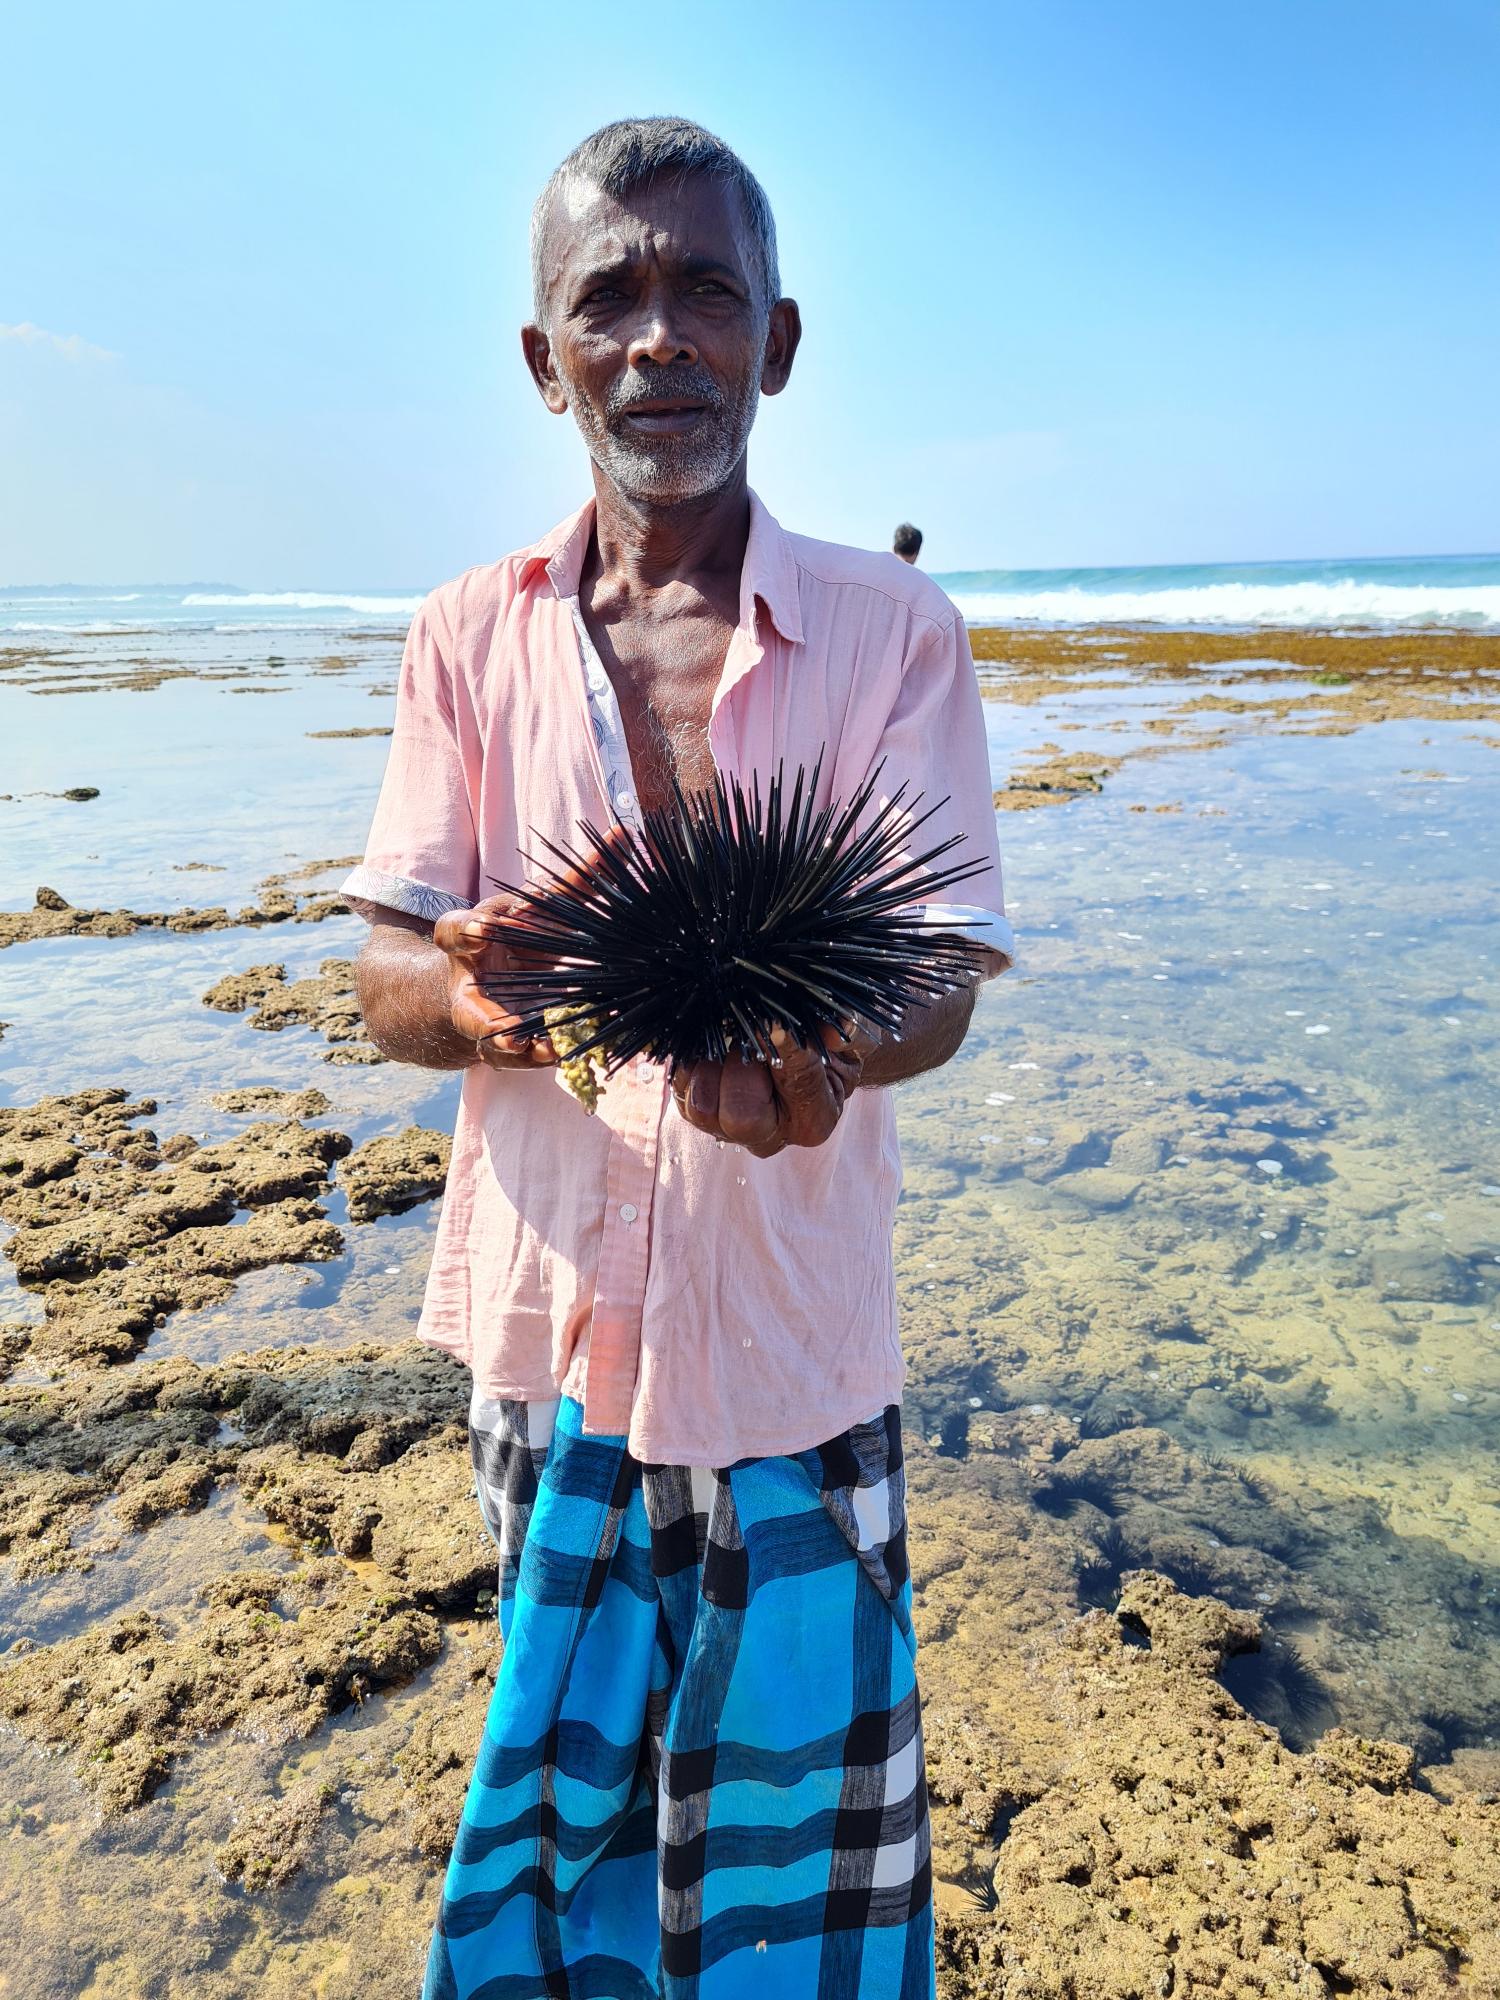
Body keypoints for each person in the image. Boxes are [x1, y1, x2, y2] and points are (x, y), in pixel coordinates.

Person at [344, 116, 1013, 2000]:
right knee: (580, 1839)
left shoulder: (895, 635)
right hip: (548, 1360)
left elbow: (937, 978)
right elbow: (394, 967)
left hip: (795, 1352)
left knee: (813, 1853)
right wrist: (477, 998)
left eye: (703, 291)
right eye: (607, 300)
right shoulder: (463, 636)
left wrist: (844, 1051)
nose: (658, 339)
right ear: (544, 360)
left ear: (775, 342)